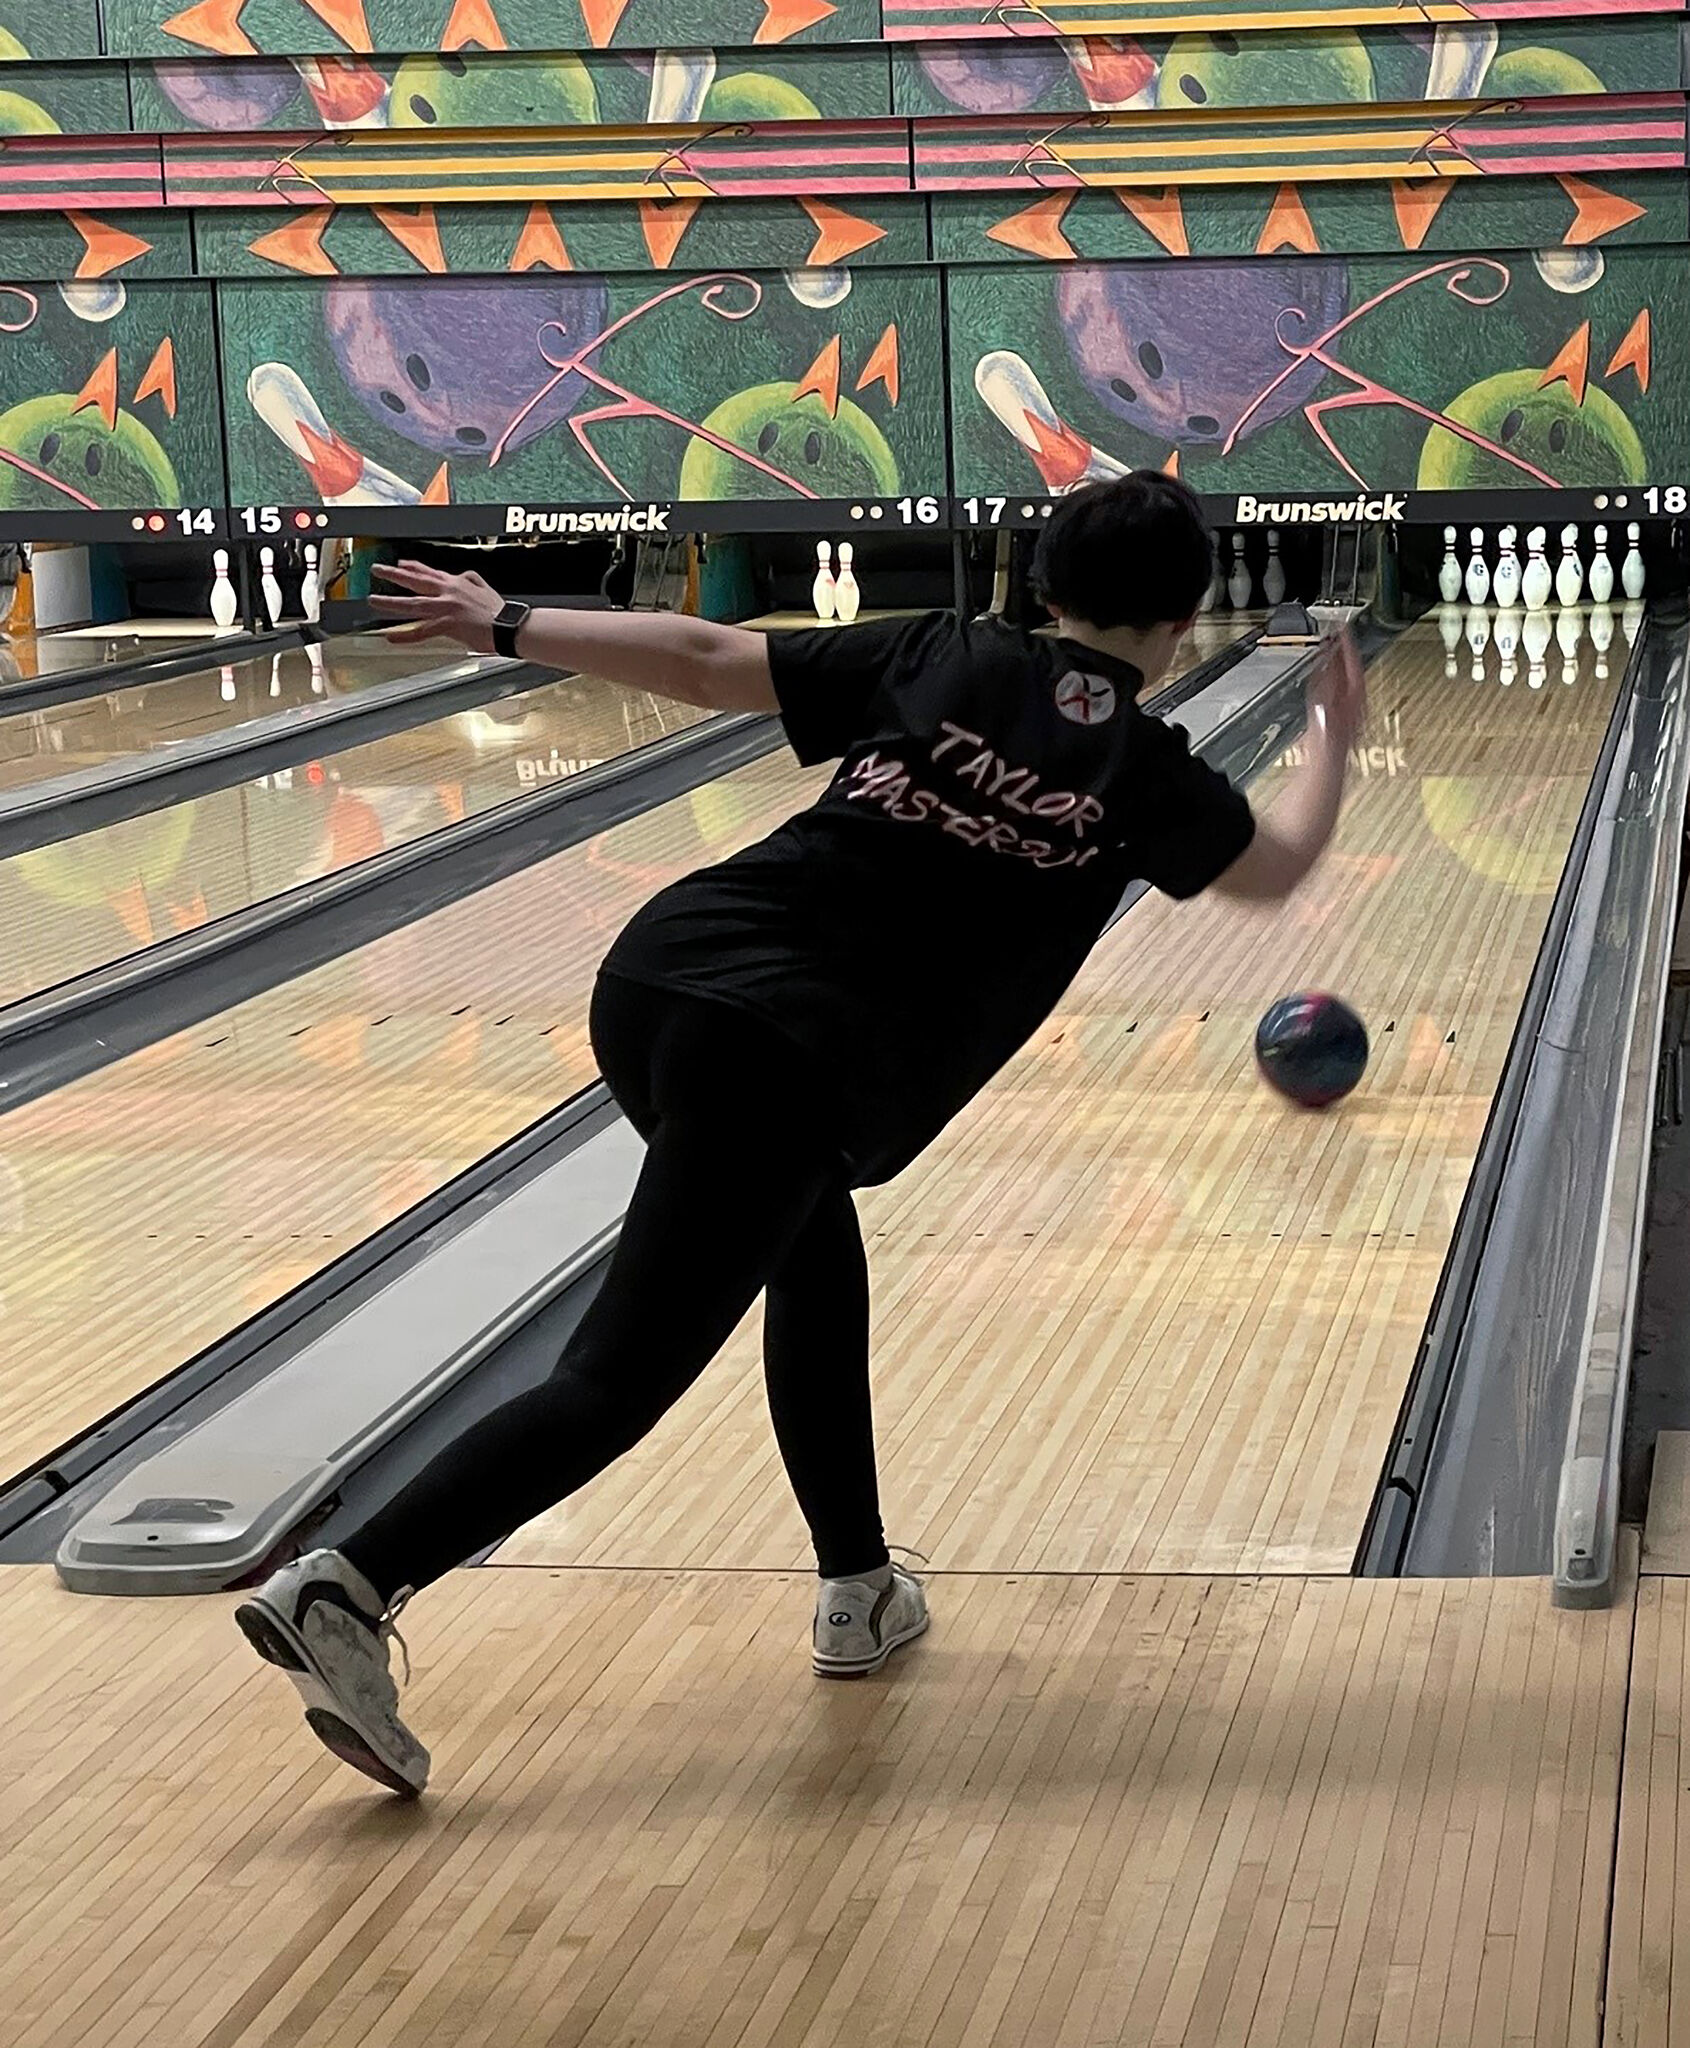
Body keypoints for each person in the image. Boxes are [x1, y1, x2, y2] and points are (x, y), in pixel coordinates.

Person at [236, 475, 1365, 1796]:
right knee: (615, 1378)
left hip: (663, 976)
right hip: (787, 1049)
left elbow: (710, 655)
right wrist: (1331, 732)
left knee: (807, 1244)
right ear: (1185, 617)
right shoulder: (1147, 773)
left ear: (1043, 584)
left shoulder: (943, 648)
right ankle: (351, 1585)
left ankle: (857, 1582)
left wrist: (508, 620)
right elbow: (1276, 871)